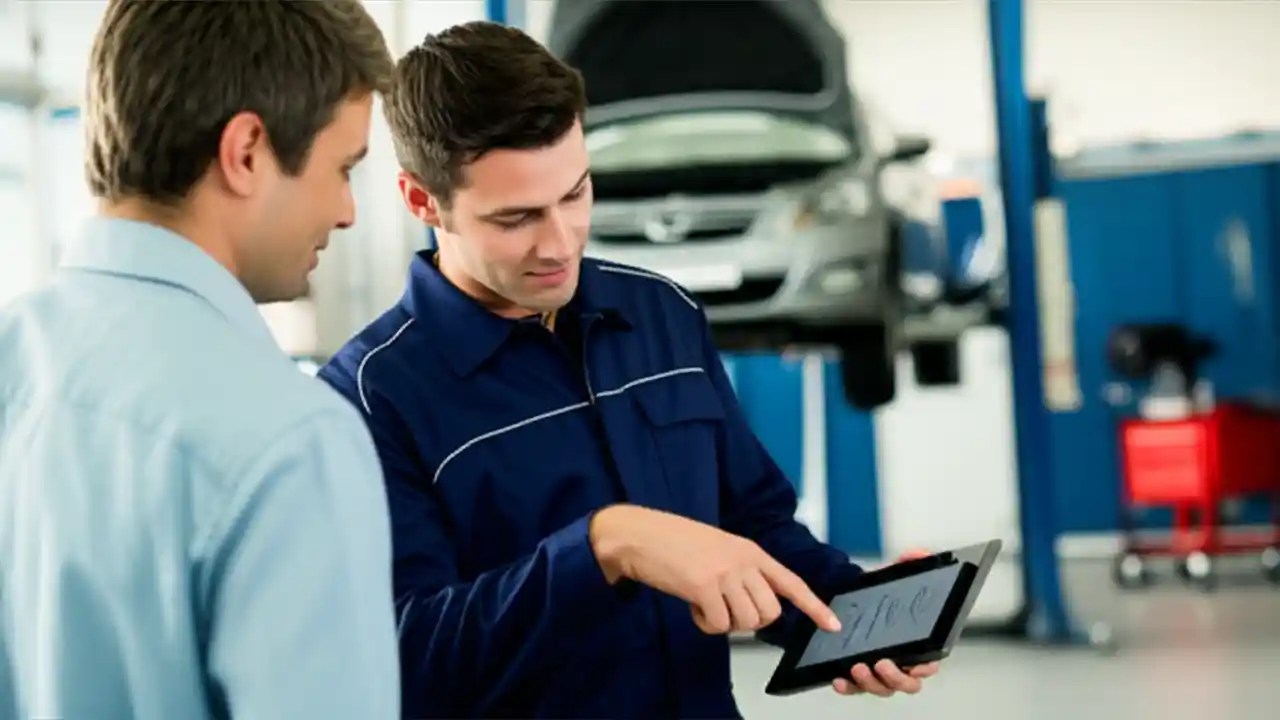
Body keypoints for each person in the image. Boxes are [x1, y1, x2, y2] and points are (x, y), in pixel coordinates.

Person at [319, 21, 938, 719]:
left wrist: (850, 615)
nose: (559, 242)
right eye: (516, 217)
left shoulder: (660, 315)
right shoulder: (366, 400)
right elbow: (408, 658)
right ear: (422, 200)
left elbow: (751, 523)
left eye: (576, 194)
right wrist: (603, 548)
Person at [0, 2, 401, 719]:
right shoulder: (292, 440)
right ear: (246, 151)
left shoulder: (16, 360)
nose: (346, 211)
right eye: (343, 168)